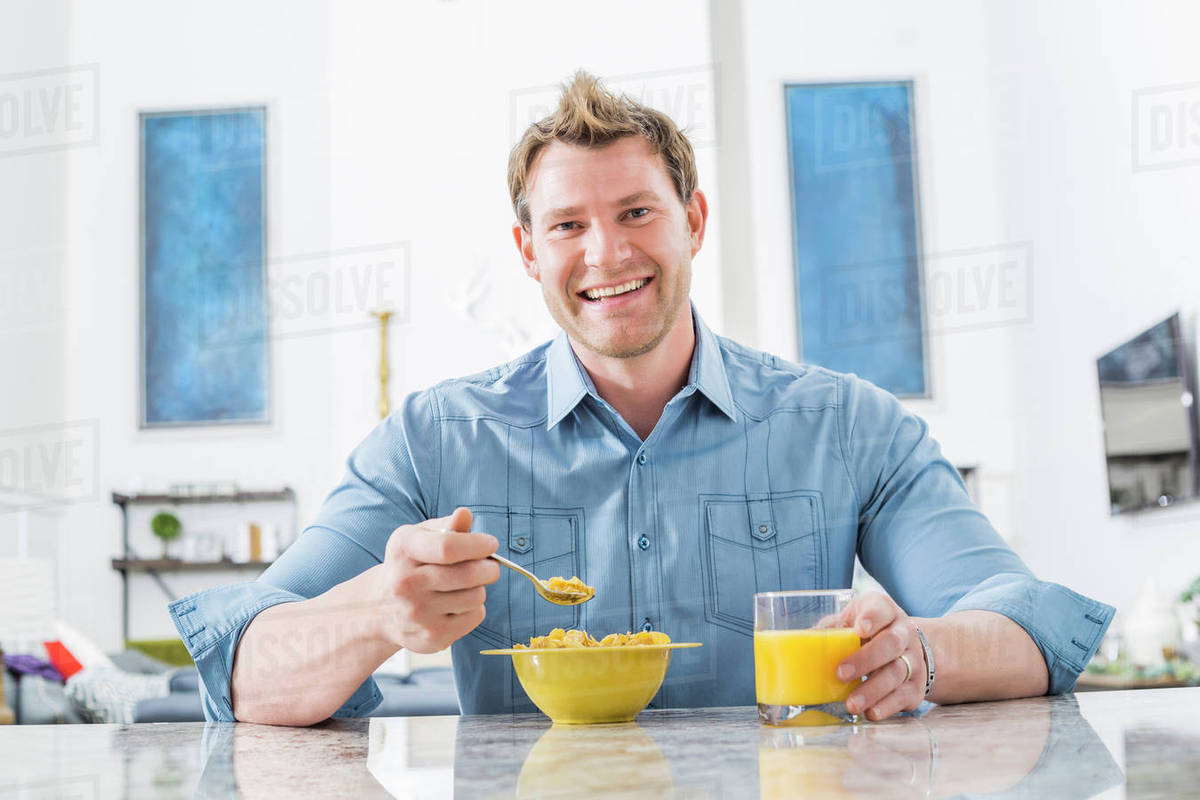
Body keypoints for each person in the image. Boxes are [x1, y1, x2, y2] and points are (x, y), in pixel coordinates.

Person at [170, 71, 1113, 726]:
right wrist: (380, 607)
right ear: (528, 252)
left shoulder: (849, 425)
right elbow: (244, 668)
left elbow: (1029, 625)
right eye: (568, 225)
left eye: (636, 213)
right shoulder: (430, 441)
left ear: (692, 221)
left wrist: (923, 653)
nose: (607, 254)